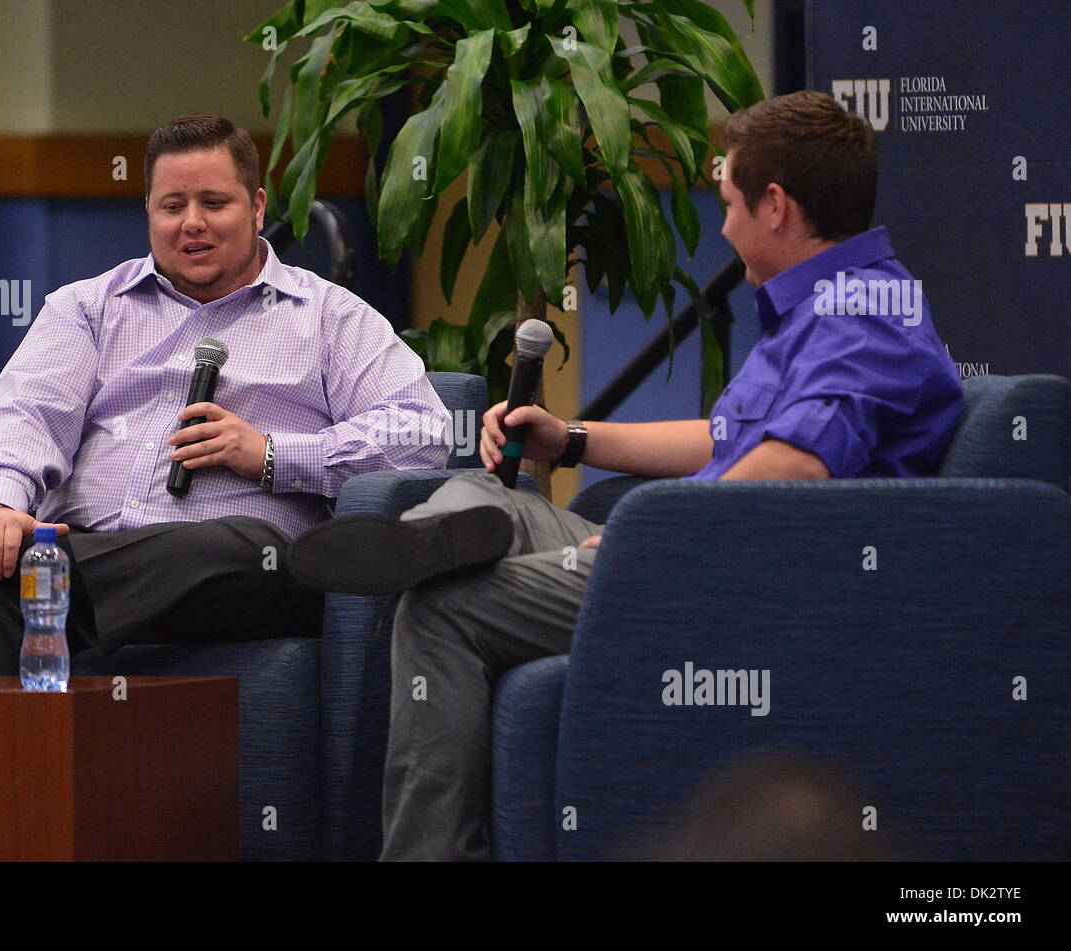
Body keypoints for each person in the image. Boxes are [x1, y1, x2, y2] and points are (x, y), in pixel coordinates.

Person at [286, 90, 965, 860]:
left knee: (439, 609)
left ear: (775, 206)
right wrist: (569, 439)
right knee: (485, 490)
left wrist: (644, 542)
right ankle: (441, 535)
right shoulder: (829, 307)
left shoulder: (862, 320)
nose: (726, 220)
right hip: (696, 550)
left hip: (733, 579)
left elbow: (792, 470)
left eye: (730, 198)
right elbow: (728, 440)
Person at [0, 115, 451, 673]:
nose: (192, 222)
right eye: (173, 205)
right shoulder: (87, 308)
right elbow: (25, 412)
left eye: (214, 203)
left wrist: (272, 454)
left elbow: (421, 433)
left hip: (245, 567)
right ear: (148, 211)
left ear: (257, 206)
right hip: (95, 546)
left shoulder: (327, 316)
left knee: (240, 547)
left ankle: (20, 568)